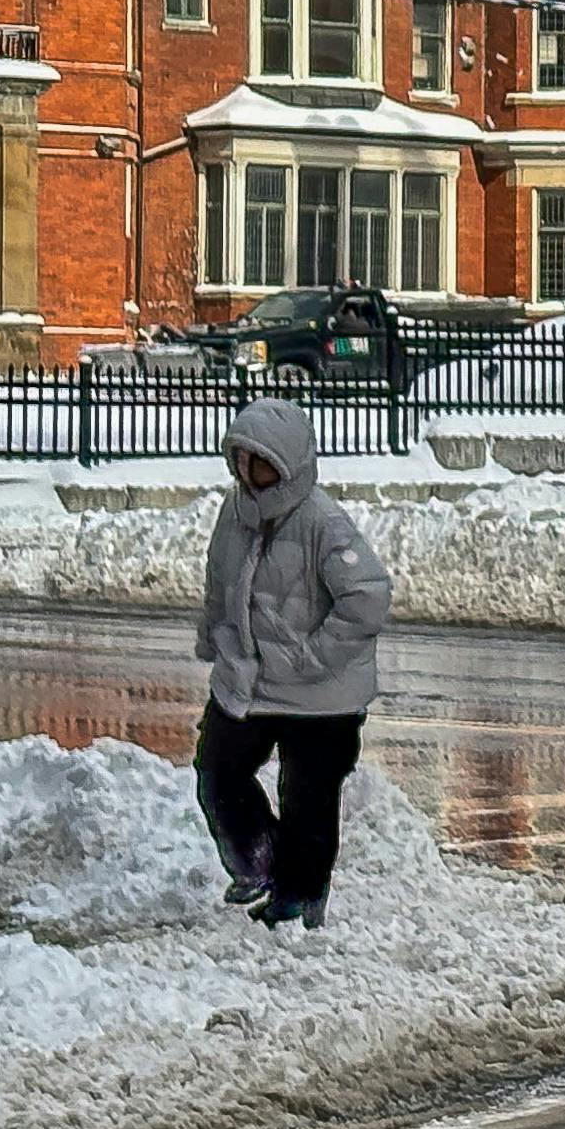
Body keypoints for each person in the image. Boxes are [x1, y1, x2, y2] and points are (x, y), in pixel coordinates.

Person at [196, 398, 393, 930]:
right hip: (251, 679)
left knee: (307, 797)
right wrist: (214, 638)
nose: (249, 473)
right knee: (218, 771)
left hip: (322, 695)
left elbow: (367, 596)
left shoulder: (323, 523)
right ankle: (260, 867)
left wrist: (317, 657)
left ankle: (301, 895)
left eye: (261, 462)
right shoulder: (234, 515)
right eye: (241, 460)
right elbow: (221, 583)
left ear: (287, 464)